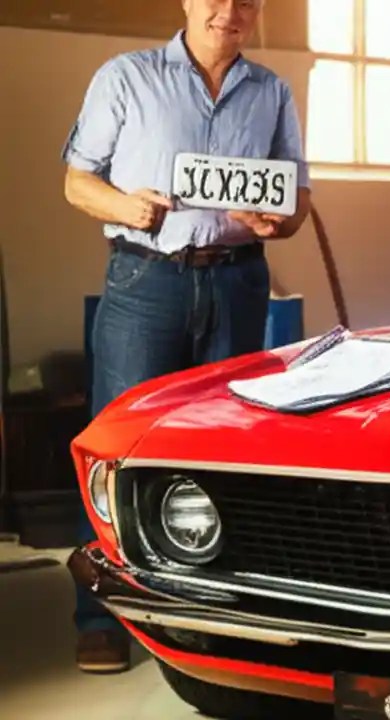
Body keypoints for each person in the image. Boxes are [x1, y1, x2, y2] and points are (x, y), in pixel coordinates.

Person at [60, 0, 311, 673]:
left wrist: (277, 224)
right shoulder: (126, 76)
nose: (228, 12)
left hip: (237, 283)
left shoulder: (273, 92)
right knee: (123, 445)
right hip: (148, 282)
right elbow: (77, 180)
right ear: (187, 3)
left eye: (246, 3)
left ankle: (216, 614)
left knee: (229, 448)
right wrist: (124, 205)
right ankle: (103, 617)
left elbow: (298, 197)